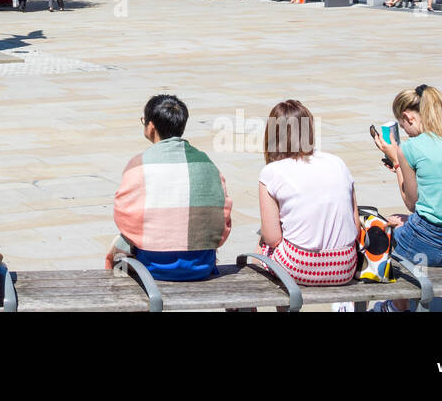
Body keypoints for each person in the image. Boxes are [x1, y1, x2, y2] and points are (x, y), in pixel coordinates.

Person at [371, 85, 442, 309]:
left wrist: (397, 160)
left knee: (382, 232)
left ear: (408, 117)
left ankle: (396, 307)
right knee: (404, 222)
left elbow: (412, 203)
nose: (405, 132)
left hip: (431, 247)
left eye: (403, 126)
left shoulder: (412, 147)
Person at [106, 94, 232, 281]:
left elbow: (122, 215)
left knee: (116, 250)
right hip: (201, 265)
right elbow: (222, 217)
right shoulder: (206, 163)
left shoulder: (139, 164)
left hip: (152, 267)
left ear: (151, 126)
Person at [257, 100, 359, 286]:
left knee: (263, 243)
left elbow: (273, 239)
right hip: (345, 266)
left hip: (300, 266)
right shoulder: (338, 162)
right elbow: (356, 227)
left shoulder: (271, 172)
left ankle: (253, 303)